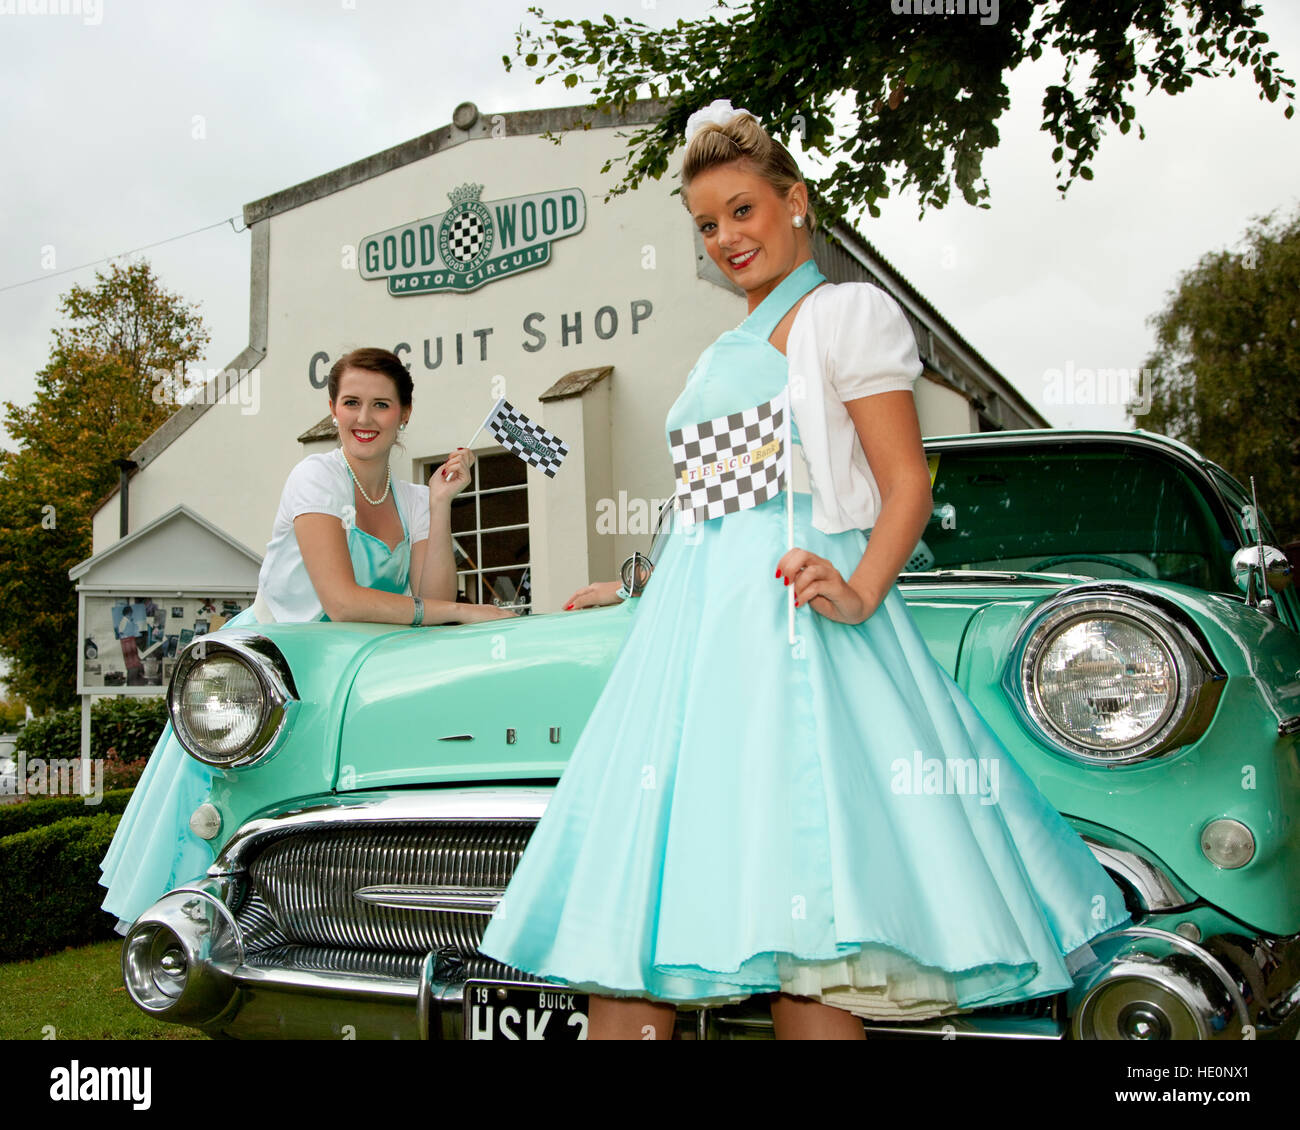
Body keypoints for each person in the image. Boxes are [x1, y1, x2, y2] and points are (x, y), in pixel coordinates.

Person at [476, 101, 1133, 1040]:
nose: (726, 238)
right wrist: (639, 586)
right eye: (706, 225)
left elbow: (905, 481)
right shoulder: (718, 349)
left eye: (743, 211)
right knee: (637, 925)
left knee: (813, 942)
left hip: (792, 627)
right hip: (693, 636)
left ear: (796, 203)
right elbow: (709, 507)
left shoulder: (845, 314)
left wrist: (861, 587)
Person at [98, 347, 514, 933]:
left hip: (354, 677)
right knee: (234, 811)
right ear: (333, 409)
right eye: (351, 403)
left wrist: (442, 505)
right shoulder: (315, 477)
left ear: (405, 414)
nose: (364, 418)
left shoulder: (416, 499)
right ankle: (200, 938)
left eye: (380, 404)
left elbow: (428, 593)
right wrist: (464, 613)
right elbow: (342, 600)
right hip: (268, 672)